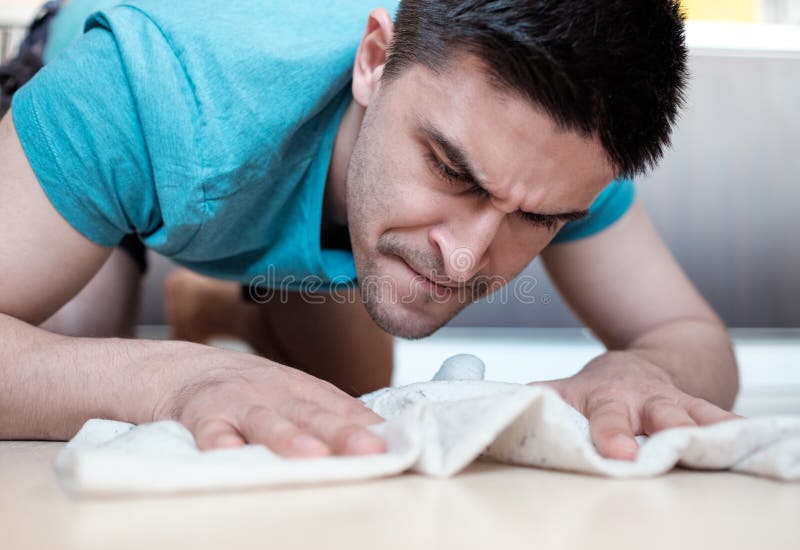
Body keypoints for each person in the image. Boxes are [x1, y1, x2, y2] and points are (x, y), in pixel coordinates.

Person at [0, 0, 739, 461]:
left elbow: (685, 330)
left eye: (537, 219)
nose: (465, 256)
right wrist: (182, 378)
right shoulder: (143, 85)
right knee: (70, 358)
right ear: (374, 61)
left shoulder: (558, 152)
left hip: (265, 164)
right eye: (452, 169)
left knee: (346, 394)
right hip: (113, 130)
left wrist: (647, 373)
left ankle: (220, 302)